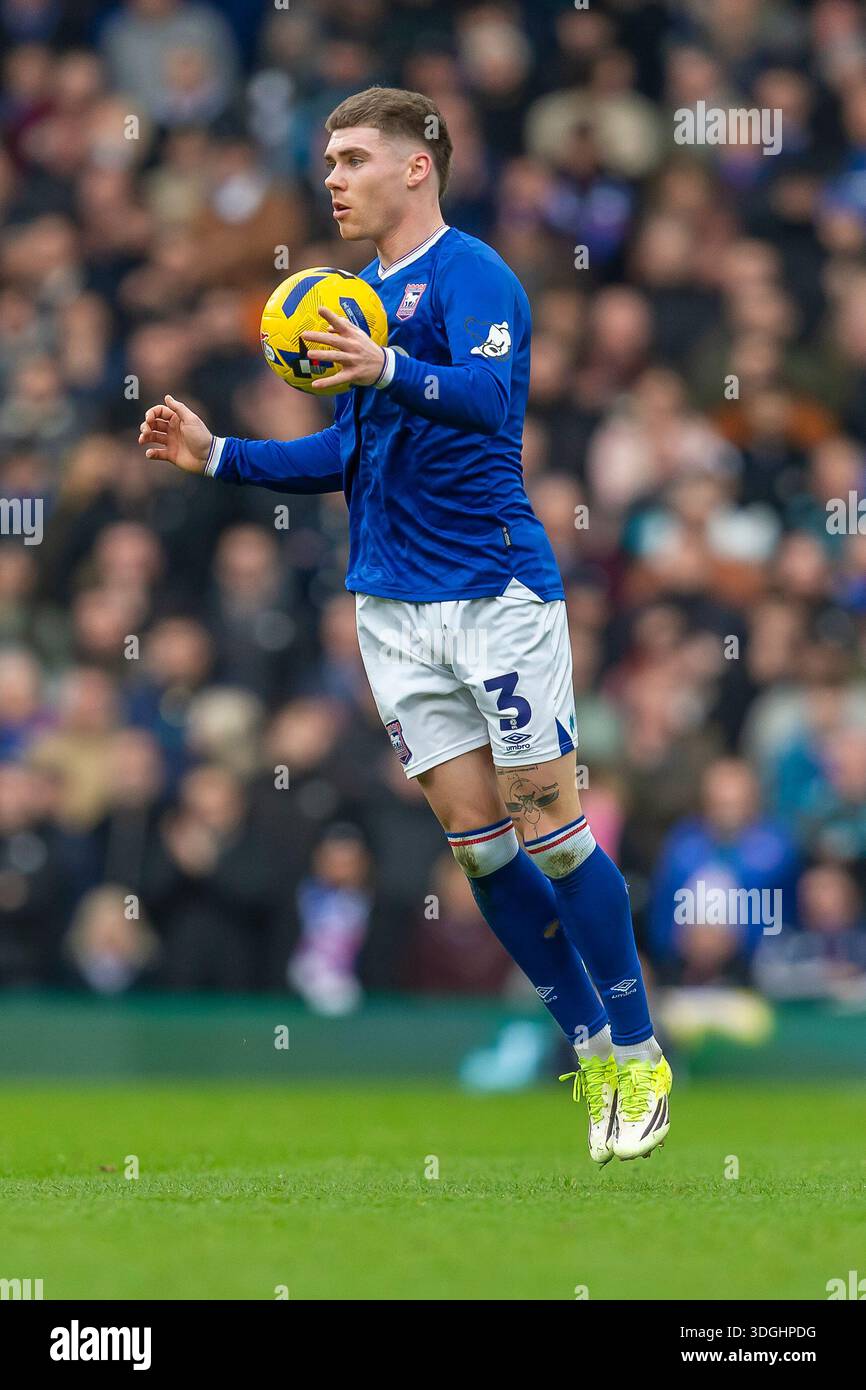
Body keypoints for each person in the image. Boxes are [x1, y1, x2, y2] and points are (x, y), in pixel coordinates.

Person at [138, 86, 672, 1163]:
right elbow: (349, 453)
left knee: (554, 839)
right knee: (480, 857)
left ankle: (642, 1045)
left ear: (415, 164)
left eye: (349, 159)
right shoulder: (357, 293)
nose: (330, 178)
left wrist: (385, 363)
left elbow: (487, 399)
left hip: (491, 594)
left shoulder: (474, 276)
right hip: (388, 609)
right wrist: (219, 456)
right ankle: (591, 1055)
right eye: (327, 162)